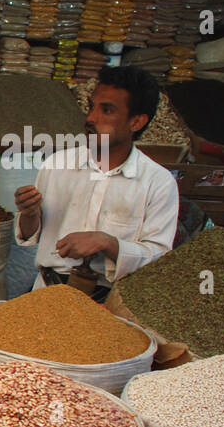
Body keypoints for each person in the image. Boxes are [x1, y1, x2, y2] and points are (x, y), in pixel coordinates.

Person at [14, 65, 179, 302]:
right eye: (92, 107)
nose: (91, 118)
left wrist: (107, 243)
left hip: (111, 305)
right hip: (48, 294)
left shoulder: (157, 182)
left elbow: (158, 257)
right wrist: (29, 214)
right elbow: (32, 235)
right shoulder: (57, 164)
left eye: (107, 110)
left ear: (136, 122)